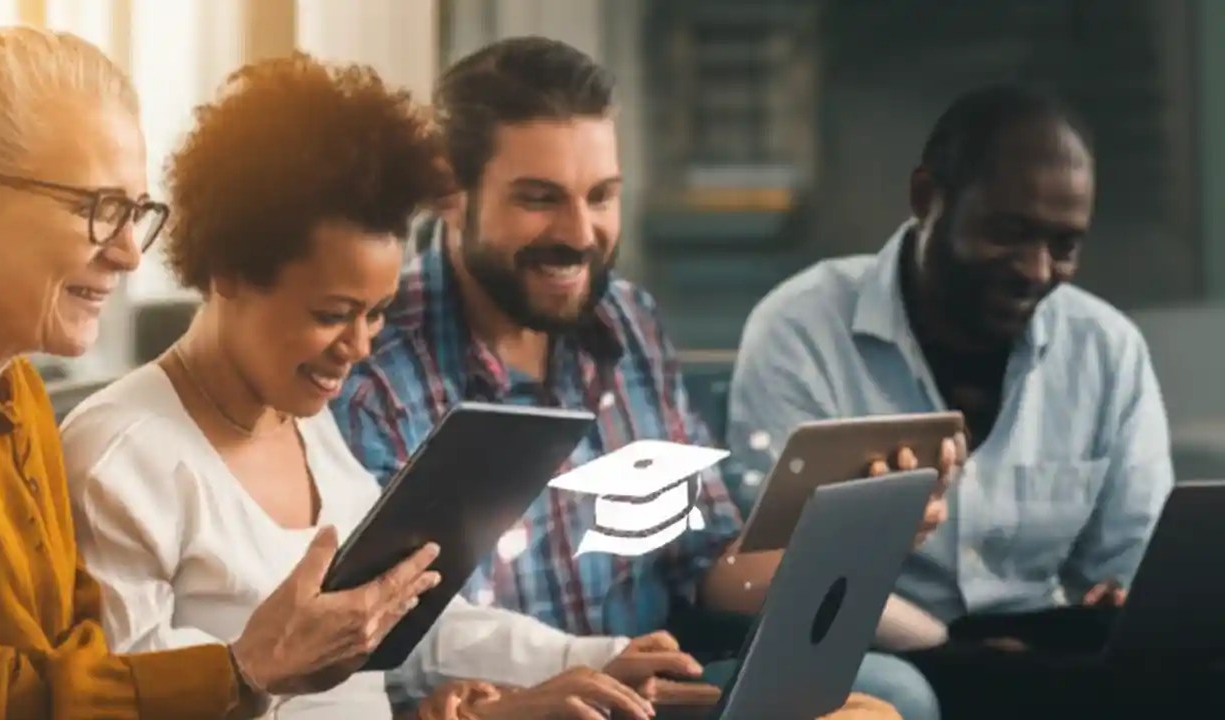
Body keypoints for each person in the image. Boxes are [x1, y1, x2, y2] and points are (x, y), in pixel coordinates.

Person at [61, 53, 698, 720]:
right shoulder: (120, 460)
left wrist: (595, 659)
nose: (360, 347)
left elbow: (412, 621)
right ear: (229, 273)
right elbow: (138, 705)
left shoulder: (305, 420)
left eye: (377, 314)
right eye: (331, 314)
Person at [333, 36, 933, 720]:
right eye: (539, 199)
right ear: (451, 193)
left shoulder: (627, 320)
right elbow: (396, 644)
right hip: (517, 707)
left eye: (601, 196)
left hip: (661, 688)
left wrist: (855, 533)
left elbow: (707, 564)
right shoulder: (372, 367)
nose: (579, 233)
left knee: (893, 695)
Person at [0, 19, 443, 720]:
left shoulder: (16, 391)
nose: (129, 254)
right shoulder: (106, 440)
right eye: (97, 208)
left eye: (134, 211)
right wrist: (243, 670)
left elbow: (77, 659)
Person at [729, 83, 1178, 716]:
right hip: (881, 654)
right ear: (925, 198)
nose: (1036, 270)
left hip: (1042, 657)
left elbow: (1133, 564)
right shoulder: (802, 331)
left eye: (1064, 246)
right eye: (1008, 233)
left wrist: (1122, 601)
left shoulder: (1106, 349)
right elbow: (762, 572)